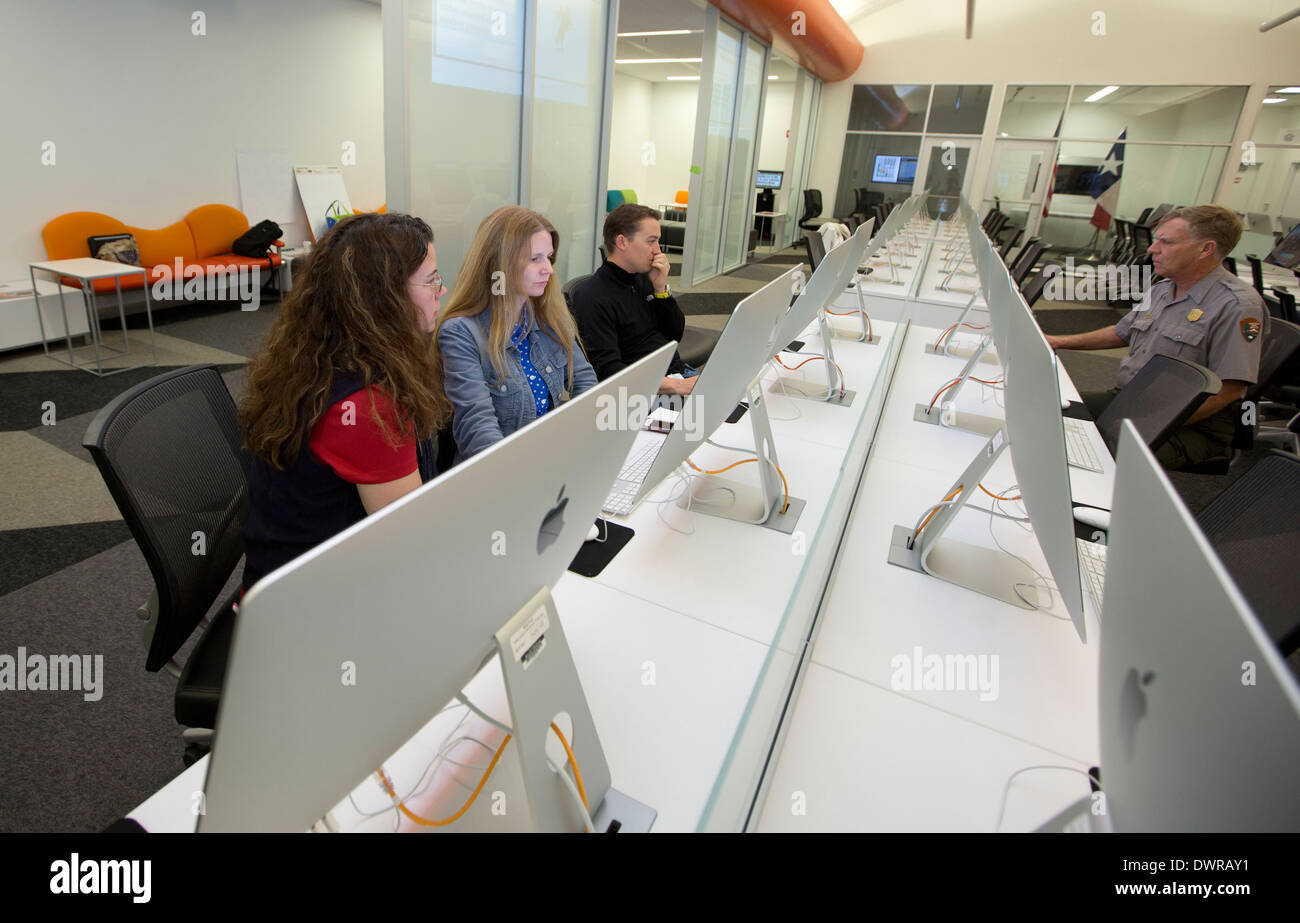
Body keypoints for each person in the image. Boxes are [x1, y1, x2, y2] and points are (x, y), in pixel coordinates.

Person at [238, 212, 452, 590]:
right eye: (432, 280)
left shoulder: (313, 355)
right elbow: (412, 544)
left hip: (281, 577)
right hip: (311, 606)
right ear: (386, 296)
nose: (443, 290)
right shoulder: (369, 406)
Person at [1044, 205, 1268, 470]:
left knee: (1087, 453)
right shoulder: (1164, 287)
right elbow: (1122, 331)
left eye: (1166, 242)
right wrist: (1058, 341)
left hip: (1191, 424)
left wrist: (1148, 422)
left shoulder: (1237, 306)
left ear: (1205, 249)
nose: (1152, 249)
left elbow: (1229, 391)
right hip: (1127, 399)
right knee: (1047, 411)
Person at [436, 206, 597, 459]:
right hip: (500, 476)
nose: (549, 269)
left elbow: (585, 384)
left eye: (549, 257)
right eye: (535, 259)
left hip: (549, 459)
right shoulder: (461, 333)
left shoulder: (549, 316)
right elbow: (478, 429)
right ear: (500, 263)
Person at [570, 203, 698, 396]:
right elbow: (609, 372)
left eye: (658, 241)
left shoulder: (643, 277)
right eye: (651, 241)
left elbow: (674, 334)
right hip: (642, 393)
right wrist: (675, 386)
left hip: (675, 374)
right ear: (622, 242)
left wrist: (661, 290)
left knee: (738, 399)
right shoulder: (591, 297)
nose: (658, 250)